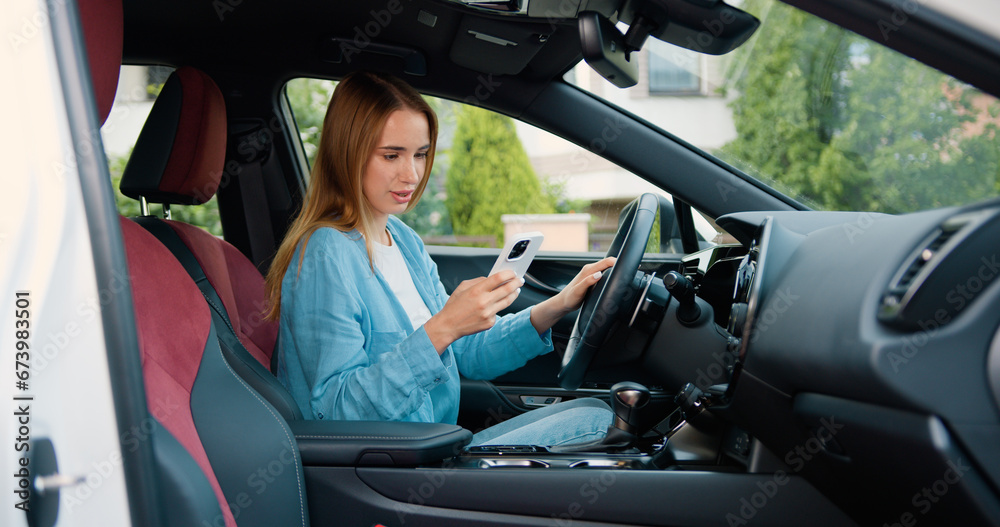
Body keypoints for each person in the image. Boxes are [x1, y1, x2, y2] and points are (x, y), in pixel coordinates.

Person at [265, 70, 616, 447]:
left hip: (437, 444)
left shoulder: (403, 240)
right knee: (598, 422)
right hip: (386, 467)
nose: (412, 173)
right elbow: (337, 414)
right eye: (391, 155)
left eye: (420, 154)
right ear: (347, 153)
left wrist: (560, 304)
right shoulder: (324, 254)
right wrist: (443, 327)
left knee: (594, 410)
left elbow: (465, 353)